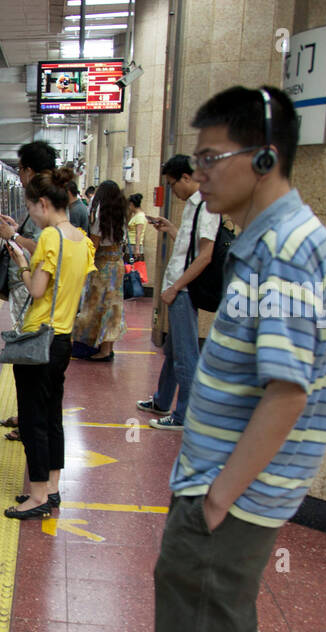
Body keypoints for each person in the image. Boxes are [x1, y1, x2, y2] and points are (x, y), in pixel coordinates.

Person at [133, 86, 326, 632]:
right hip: (243, 498)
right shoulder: (268, 237)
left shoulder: (283, 249)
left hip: (230, 502)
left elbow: (288, 391)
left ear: (265, 157)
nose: (200, 172)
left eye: (213, 157)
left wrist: (218, 496)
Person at [3, 167, 96, 519]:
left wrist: (23, 264)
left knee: (31, 420)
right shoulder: (81, 241)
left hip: (38, 339)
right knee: (52, 416)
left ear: (43, 203)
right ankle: (52, 488)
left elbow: (37, 289)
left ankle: (38, 495)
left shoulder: (49, 240)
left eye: (31, 209)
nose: (31, 217)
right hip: (62, 340)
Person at [137, 155, 219, 428]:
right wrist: (170, 228)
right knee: (173, 352)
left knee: (186, 357)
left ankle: (185, 415)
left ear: (187, 177)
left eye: (173, 184)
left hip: (184, 291)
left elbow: (205, 256)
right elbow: (190, 248)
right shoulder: (194, 206)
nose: (173, 191)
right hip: (178, 288)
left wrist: (176, 287)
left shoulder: (207, 206)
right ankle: (162, 401)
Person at [0, 140, 59, 440]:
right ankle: (27, 417)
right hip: (32, 289)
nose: (19, 176)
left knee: (29, 361)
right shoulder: (49, 199)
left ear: (29, 171)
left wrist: (14, 236)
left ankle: (31, 423)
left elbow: (43, 246)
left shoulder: (44, 202)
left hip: (32, 290)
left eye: (20, 170)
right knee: (29, 363)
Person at [75, 180, 129, 361]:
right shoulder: (121, 213)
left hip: (102, 266)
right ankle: (107, 347)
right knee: (113, 308)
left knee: (95, 306)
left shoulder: (100, 214)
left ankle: (100, 349)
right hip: (117, 265)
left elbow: (94, 245)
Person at [127, 193, 147, 264]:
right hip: (130, 245)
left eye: (129, 205)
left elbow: (138, 233)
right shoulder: (135, 215)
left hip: (134, 246)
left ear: (132, 204)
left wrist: (137, 249)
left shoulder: (140, 216)